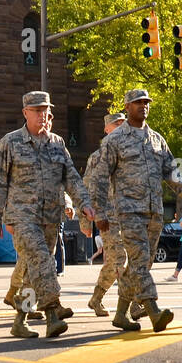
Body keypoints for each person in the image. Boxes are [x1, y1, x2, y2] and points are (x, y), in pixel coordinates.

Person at [0, 91, 93, 339]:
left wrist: (84, 203)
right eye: (36, 110)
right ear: (25, 113)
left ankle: (20, 320)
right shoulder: (10, 143)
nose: (42, 115)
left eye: (45, 110)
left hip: (50, 217)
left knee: (33, 271)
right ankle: (53, 312)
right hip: (22, 217)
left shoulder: (57, 143)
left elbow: (73, 180)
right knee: (44, 263)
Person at [92, 89, 182, 332]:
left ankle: (120, 314)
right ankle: (153, 311)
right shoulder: (114, 141)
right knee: (138, 261)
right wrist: (99, 213)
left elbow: (172, 171)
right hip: (128, 213)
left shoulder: (157, 139)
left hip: (154, 213)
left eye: (146, 102)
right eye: (138, 103)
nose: (143, 106)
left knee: (142, 265)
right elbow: (99, 179)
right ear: (127, 107)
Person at [81, 112, 128, 316]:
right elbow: (85, 189)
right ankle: (130, 305)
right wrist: (84, 220)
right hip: (107, 219)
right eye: (116, 125)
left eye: (123, 124)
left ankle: (96, 298)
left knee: (114, 263)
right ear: (107, 129)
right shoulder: (98, 156)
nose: (121, 128)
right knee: (121, 259)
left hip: (130, 217)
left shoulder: (130, 153)